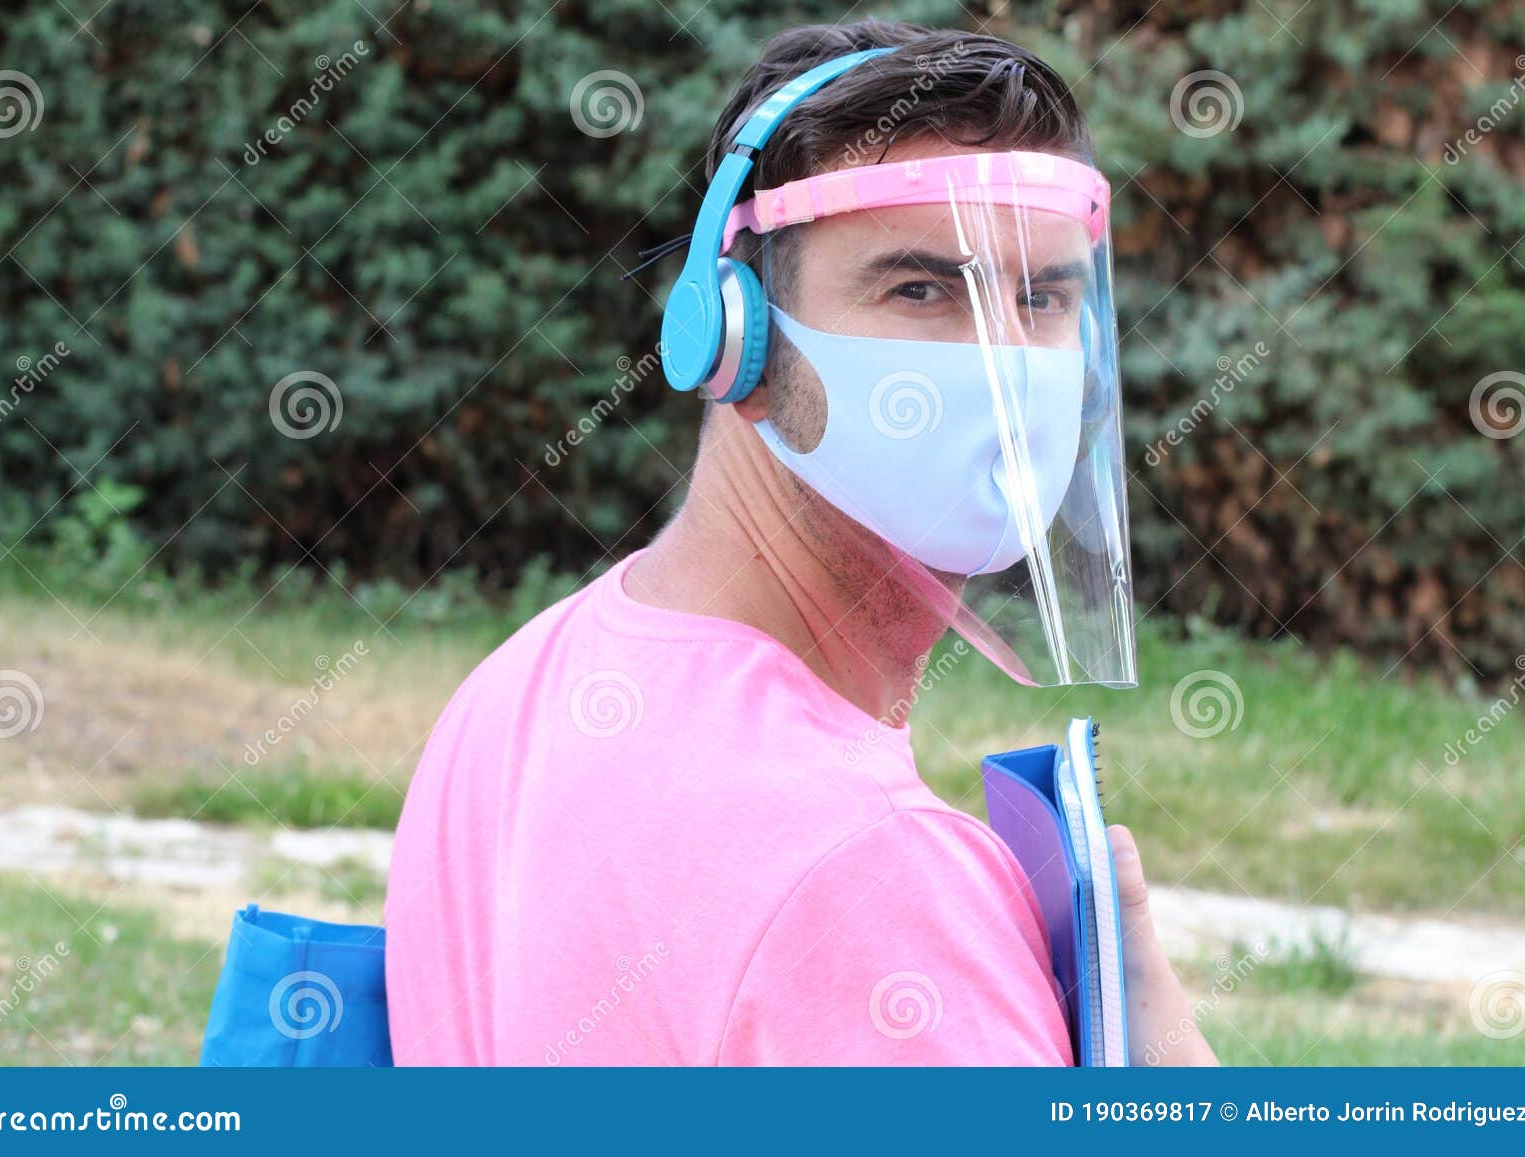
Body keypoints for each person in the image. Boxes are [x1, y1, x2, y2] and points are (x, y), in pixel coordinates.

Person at [385, 18, 1217, 1066]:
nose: (1006, 365)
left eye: (1042, 296)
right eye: (919, 288)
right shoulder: (876, 875)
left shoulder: (518, 688)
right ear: (731, 332)